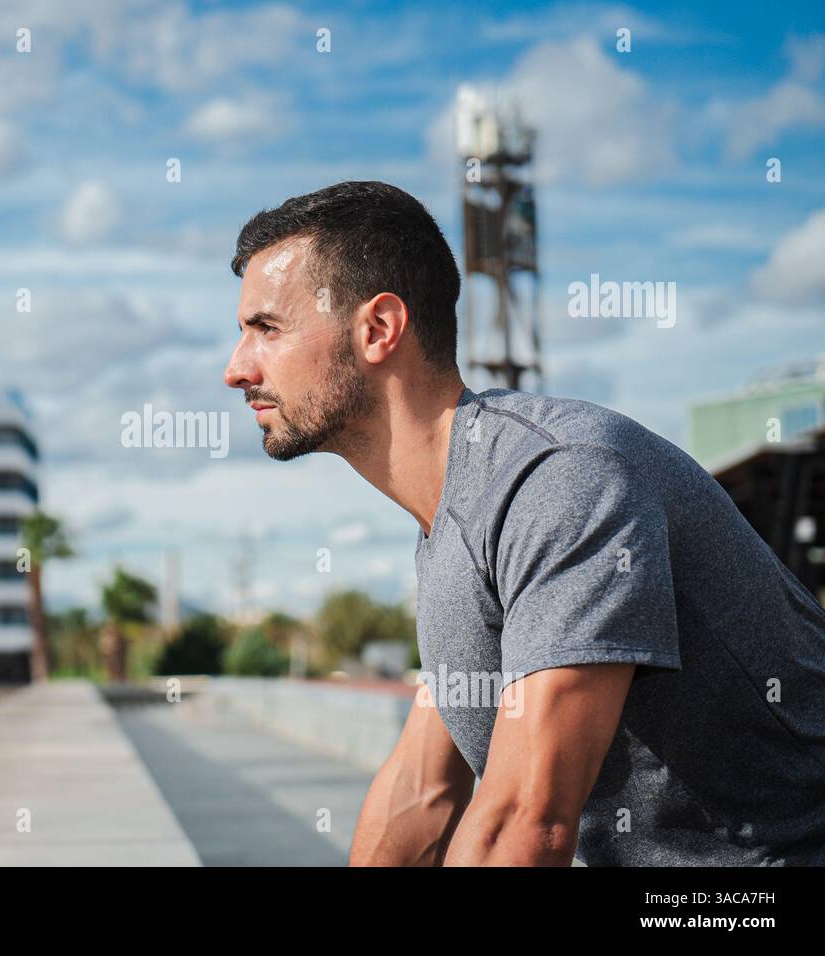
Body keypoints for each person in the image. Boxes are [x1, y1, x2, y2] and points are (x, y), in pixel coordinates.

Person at [222, 180, 825, 866]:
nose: (235, 370)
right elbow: (419, 796)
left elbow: (522, 827)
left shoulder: (561, 479)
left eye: (265, 329)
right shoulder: (452, 521)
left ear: (378, 329)